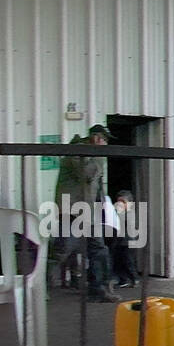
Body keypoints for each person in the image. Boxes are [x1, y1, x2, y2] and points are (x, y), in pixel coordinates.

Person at [56, 127, 114, 302]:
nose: (106, 144)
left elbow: (96, 186)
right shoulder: (77, 151)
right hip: (73, 209)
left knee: (98, 249)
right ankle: (37, 286)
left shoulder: (90, 155)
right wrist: (99, 157)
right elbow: (86, 174)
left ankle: (99, 289)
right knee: (62, 250)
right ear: (96, 139)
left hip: (89, 211)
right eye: (104, 139)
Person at [104, 187, 137, 289]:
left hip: (127, 242)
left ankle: (134, 279)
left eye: (123, 202)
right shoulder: (118, 213)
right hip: (119, 242)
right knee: (118, 262)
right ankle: (123, 279)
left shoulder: (130, 213)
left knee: (128, 261)